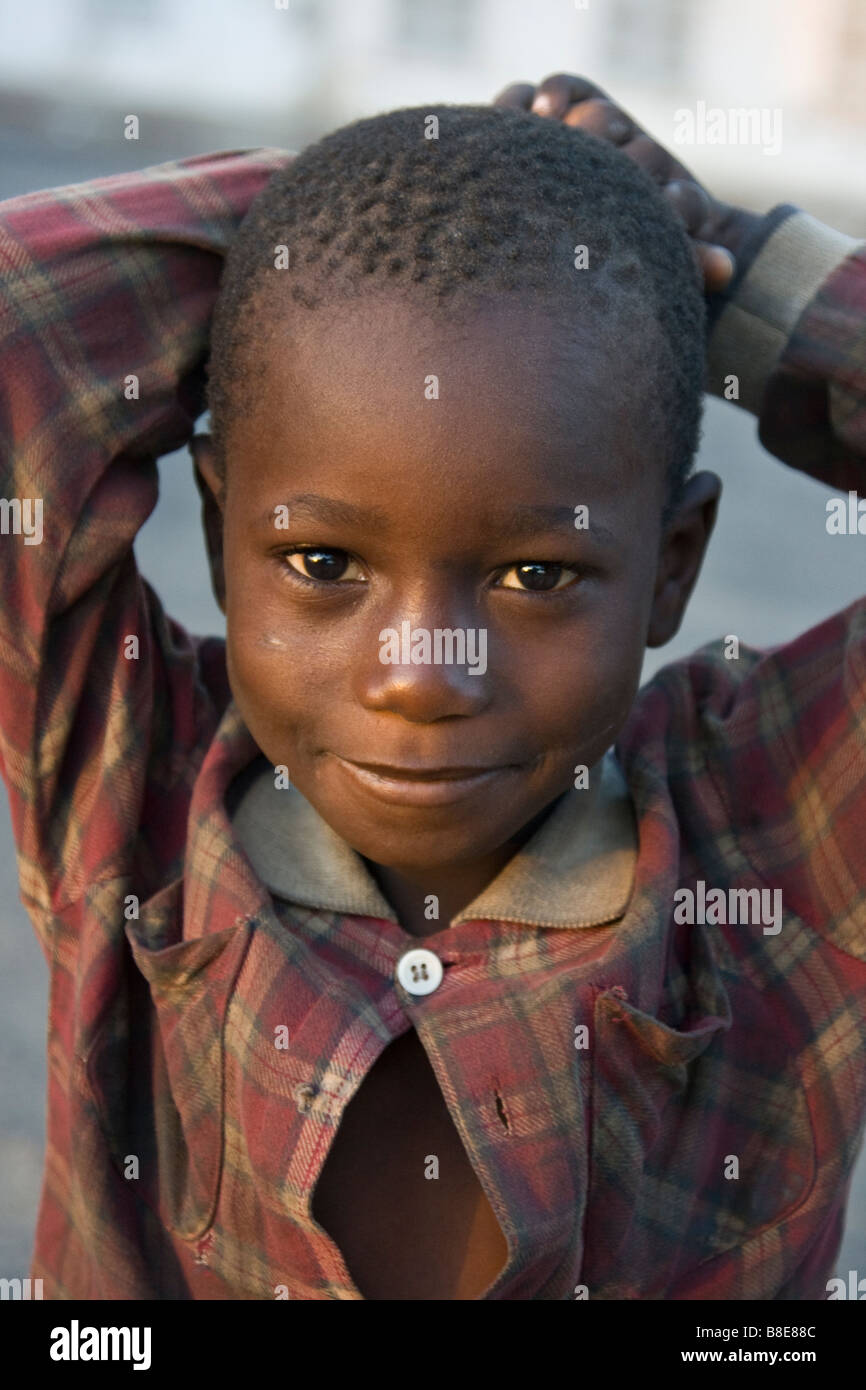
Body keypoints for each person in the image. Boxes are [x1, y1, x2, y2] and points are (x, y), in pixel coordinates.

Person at [0, 73, 862, 1301]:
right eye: (322, 562)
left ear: (670, 570)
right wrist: (347, 202)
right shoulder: (127, 784)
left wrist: (742, 270)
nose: (420, 675)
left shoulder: (775, 853)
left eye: (532, 572)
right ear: (217, 528)